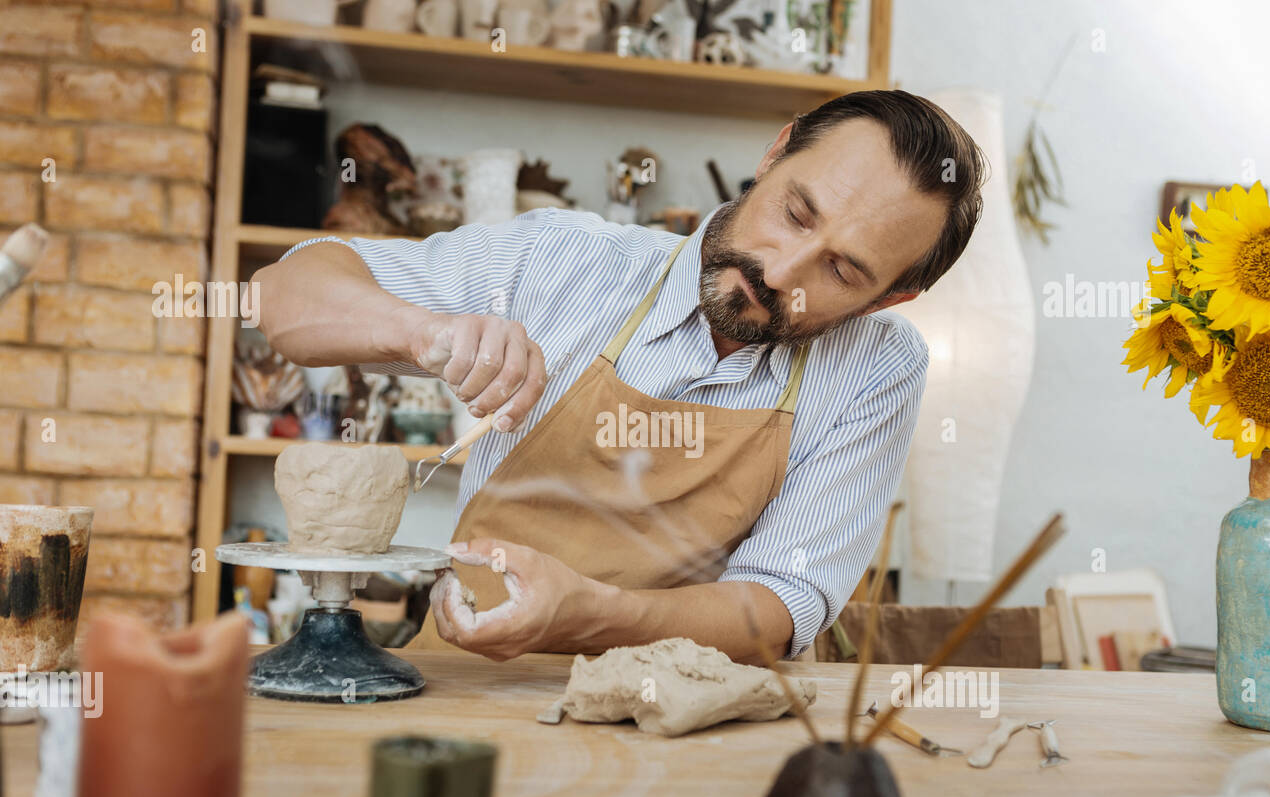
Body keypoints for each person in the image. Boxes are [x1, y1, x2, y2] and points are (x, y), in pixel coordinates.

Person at [252, 89, 987, 664]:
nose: (780, 272)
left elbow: (781, 604)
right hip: (472, 684)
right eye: (796, 213)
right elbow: (285, 295)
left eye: (842, 269)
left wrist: (594, 615)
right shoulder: (562, 260)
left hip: (687, 720)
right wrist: (429, 334)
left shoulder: (875, 369)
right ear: (775, 153)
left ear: (890, 298)